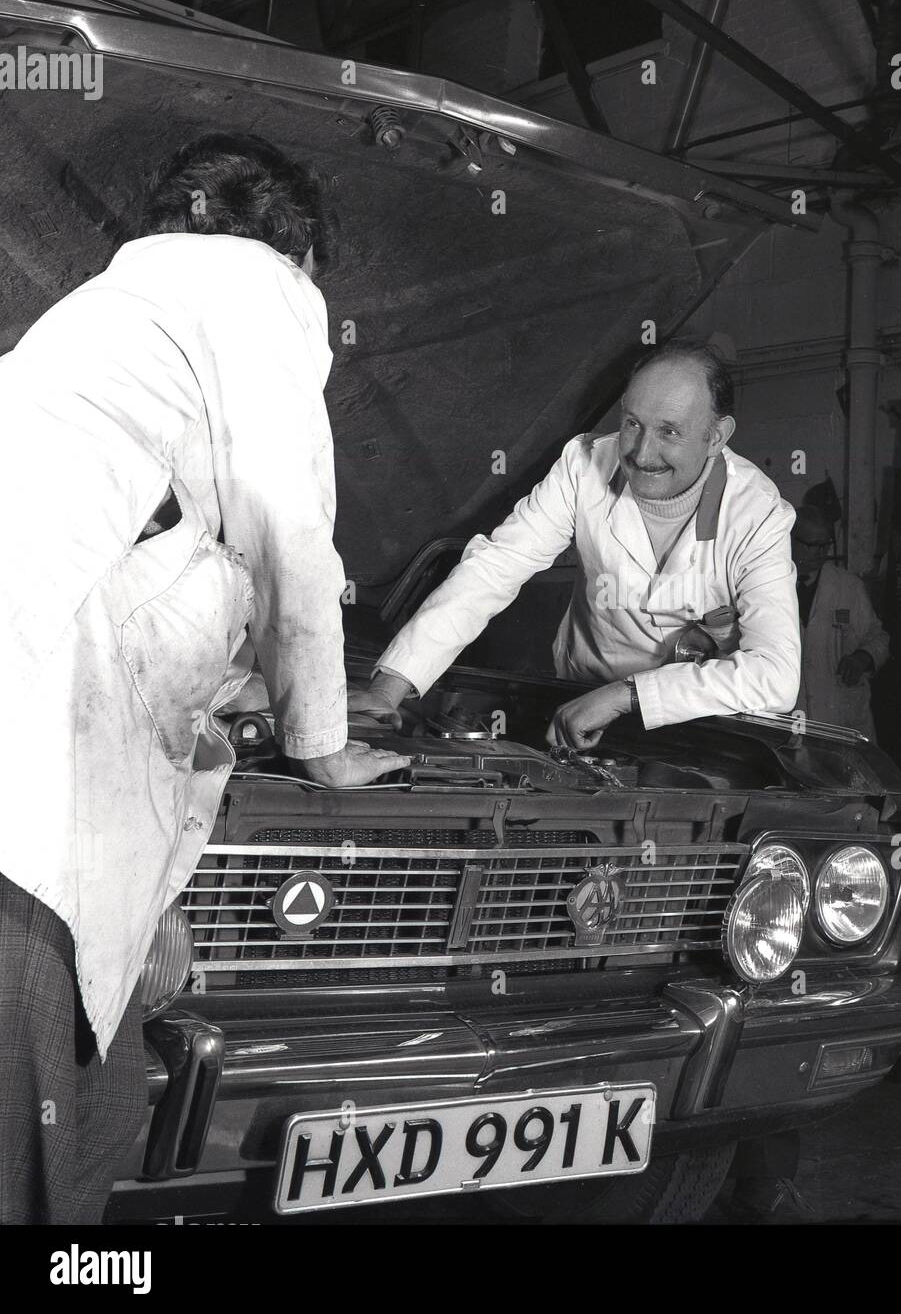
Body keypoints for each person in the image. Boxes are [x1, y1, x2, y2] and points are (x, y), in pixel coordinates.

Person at [0, 132, 408, 1224]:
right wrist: (323, 738)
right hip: (29, 802)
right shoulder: (252, 285)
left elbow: (167, 553)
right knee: (44, 1149)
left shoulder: (105, 321)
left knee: (78, 1124)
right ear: (297, 243)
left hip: (39, 760)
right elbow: (288, 526)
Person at [351, 341, 801, 749]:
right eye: (632, 424)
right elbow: (495, 568)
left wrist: (630, 695)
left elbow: (776, 676)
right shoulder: (582, 466)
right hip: (578, 702)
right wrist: (391, 685)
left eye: (669, 432)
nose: (642, 454)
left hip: (702, 722)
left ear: (717, 436)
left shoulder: (756, 513)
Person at [791, 504, 889, 739]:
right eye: (811, 545)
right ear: (790, 539)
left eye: (825, 545)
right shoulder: (769, 585)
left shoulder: (848, 586)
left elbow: (878, 636)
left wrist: (862, 657)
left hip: (841, 713)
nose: (819, 553)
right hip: (791, 714)